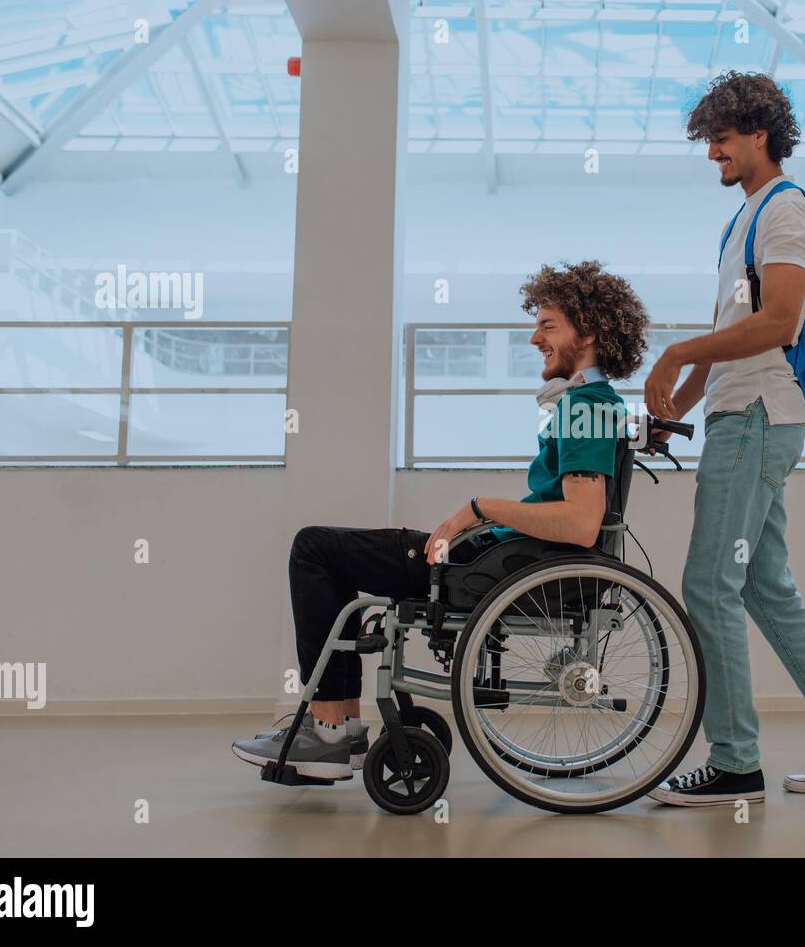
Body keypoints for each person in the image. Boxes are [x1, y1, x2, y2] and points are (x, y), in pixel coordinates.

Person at [232, 261, 649, 780]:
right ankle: (333, 727)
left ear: (588, 332)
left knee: (314, 548)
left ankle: (331, 732)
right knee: (330, 556)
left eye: (548, 325)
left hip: (500, 564)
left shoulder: (584, 407)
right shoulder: (590, 403)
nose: (533, 336)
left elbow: (582, 524)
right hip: (504, 557)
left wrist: (478, 509)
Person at [644, 71, 805, 807]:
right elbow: (735, 336)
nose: (712, 151)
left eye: (721, 137)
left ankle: (734, 761)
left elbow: (780, 323)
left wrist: (677, 354)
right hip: (743, 412)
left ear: (761, 134)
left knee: (708, 582)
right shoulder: (745, 219)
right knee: (762, 584)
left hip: (756, 420)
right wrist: (674, 408)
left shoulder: (785, 214)